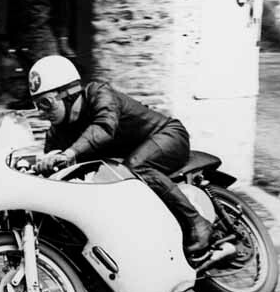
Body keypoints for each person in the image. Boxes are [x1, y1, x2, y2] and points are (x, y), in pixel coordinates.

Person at [31, 55, 213, 254]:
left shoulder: (99, 94)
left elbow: (104, 127)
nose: (41, 112)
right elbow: (55, 169)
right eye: (37, 105)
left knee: (135, 168)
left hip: (167, 136)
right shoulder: (57, 131)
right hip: (133, 156)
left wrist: (69, 153)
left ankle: (198, 222)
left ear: (69, 93)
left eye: (46, 103)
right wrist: (45, 164)